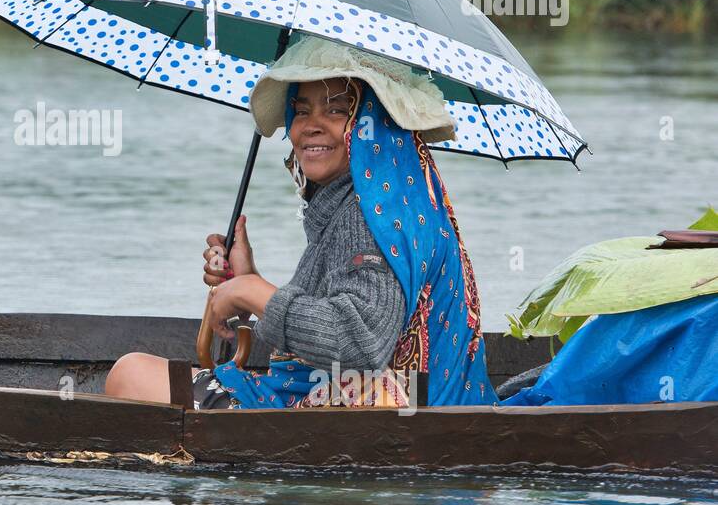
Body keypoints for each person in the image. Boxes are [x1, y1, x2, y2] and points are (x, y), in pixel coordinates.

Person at [104, 35, 497, 408]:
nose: (311, 125)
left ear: (374, 125)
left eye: (337, 110)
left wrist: (252, 292)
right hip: (373, 400)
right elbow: (341, 315)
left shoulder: (371, 215)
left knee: (130, 374)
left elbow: (361, 345)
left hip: (379, 415)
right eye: (302, 110)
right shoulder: (383, 200)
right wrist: (247, 279)